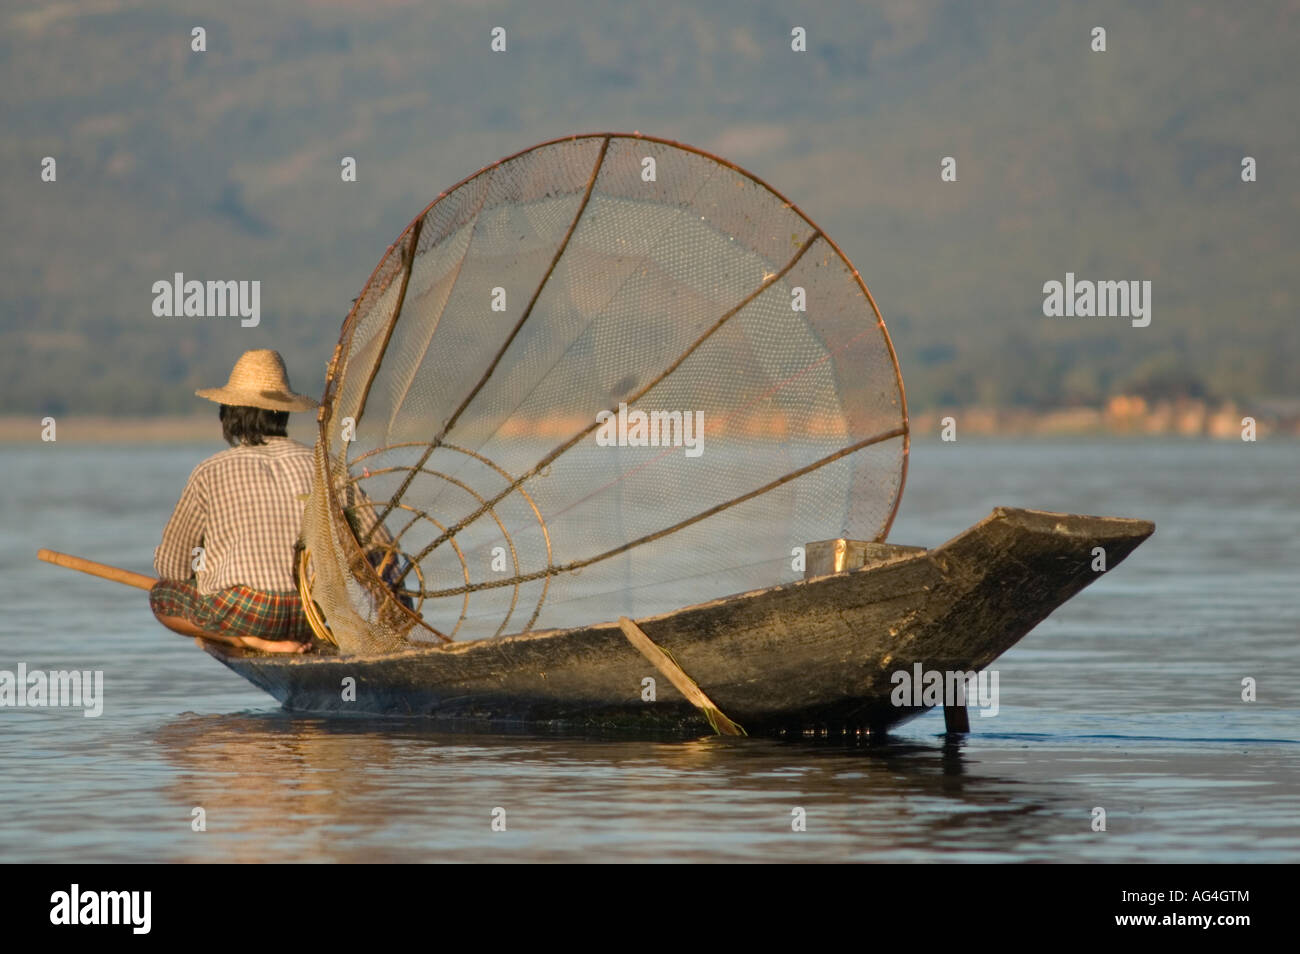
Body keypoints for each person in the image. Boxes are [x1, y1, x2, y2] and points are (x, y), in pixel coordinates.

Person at [149, 349, 319, 654]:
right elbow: (374, 547)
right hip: (314, 611)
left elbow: (171, 567)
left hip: (248, 614)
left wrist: (204, 575)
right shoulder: (323, 464)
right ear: (284, 413)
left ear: (229, 415)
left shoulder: (210, 470)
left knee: (162, 596)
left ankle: (242, 640)